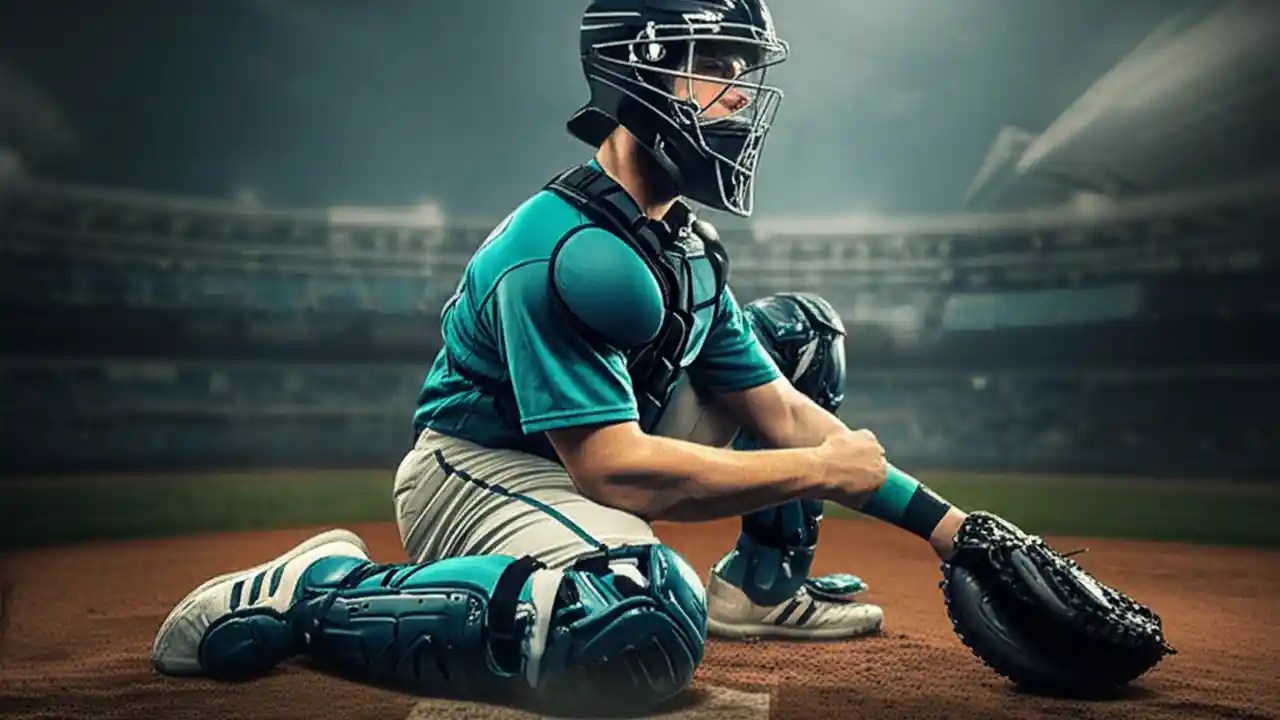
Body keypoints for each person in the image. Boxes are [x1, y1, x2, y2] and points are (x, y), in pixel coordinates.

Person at [151, 1, 969, 715]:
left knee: (801, 339)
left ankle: (762, 589)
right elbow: (614, 472)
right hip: (481, 473)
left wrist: (952, 529)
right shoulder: (559, 247)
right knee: (631, 616)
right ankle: (320, 589)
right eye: (711, 65)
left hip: (598, 447)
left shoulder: (681, 246)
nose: (738, 95)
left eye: (743, 70)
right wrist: (821, 473)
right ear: (635, 69)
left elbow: (781, 411)